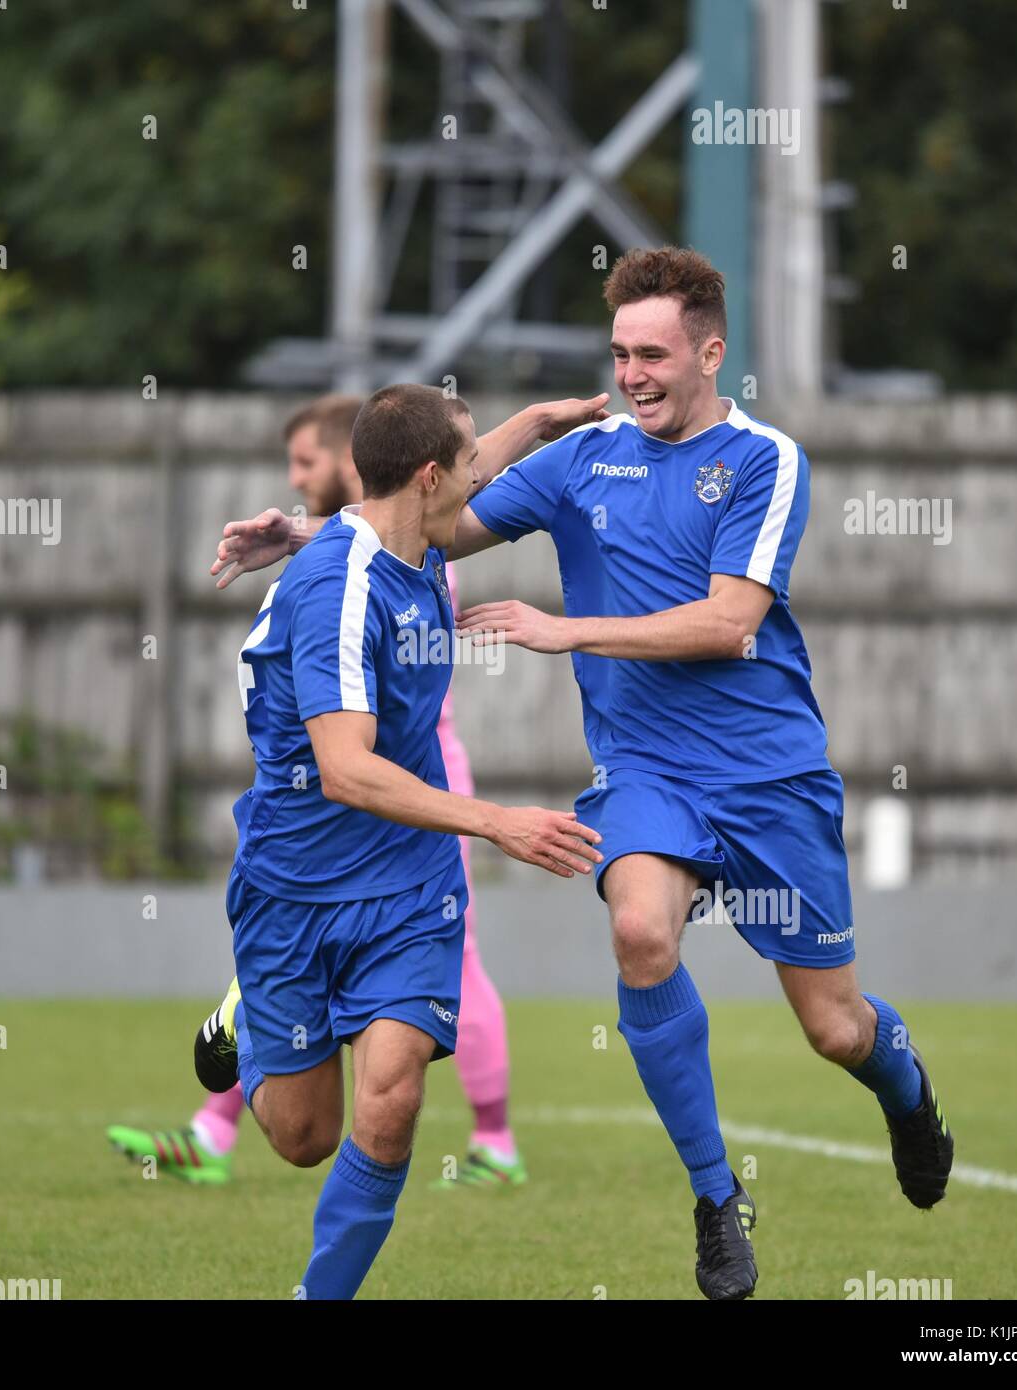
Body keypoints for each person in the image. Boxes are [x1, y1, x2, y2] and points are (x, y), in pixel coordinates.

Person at [209, 248, 955, 1301]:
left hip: (767, 773)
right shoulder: (583, 457)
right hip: (645, 770)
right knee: (642, 930)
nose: (634, 372)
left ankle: (905, 1089)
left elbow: (729, 621)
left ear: (709, 351)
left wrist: (569, 630)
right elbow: (427, 523)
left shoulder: (761, 461)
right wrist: (310, 537)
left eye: (653, 353)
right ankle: (712, 1197)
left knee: (834, 1027)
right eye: (619, 353)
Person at [107, 389, 609, 1187]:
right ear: (427, 476)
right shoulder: (341, 576)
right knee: (306, 1138)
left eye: (307, 459)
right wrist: (496, 823)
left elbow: (459, 480)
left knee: (417, 1037)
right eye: (464, 462)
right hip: (328, 817)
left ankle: (488, 1137)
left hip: (412, 812)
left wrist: (546, 421)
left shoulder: (418, 534)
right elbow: (343, 765)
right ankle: (262, 1024)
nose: (297, 475)